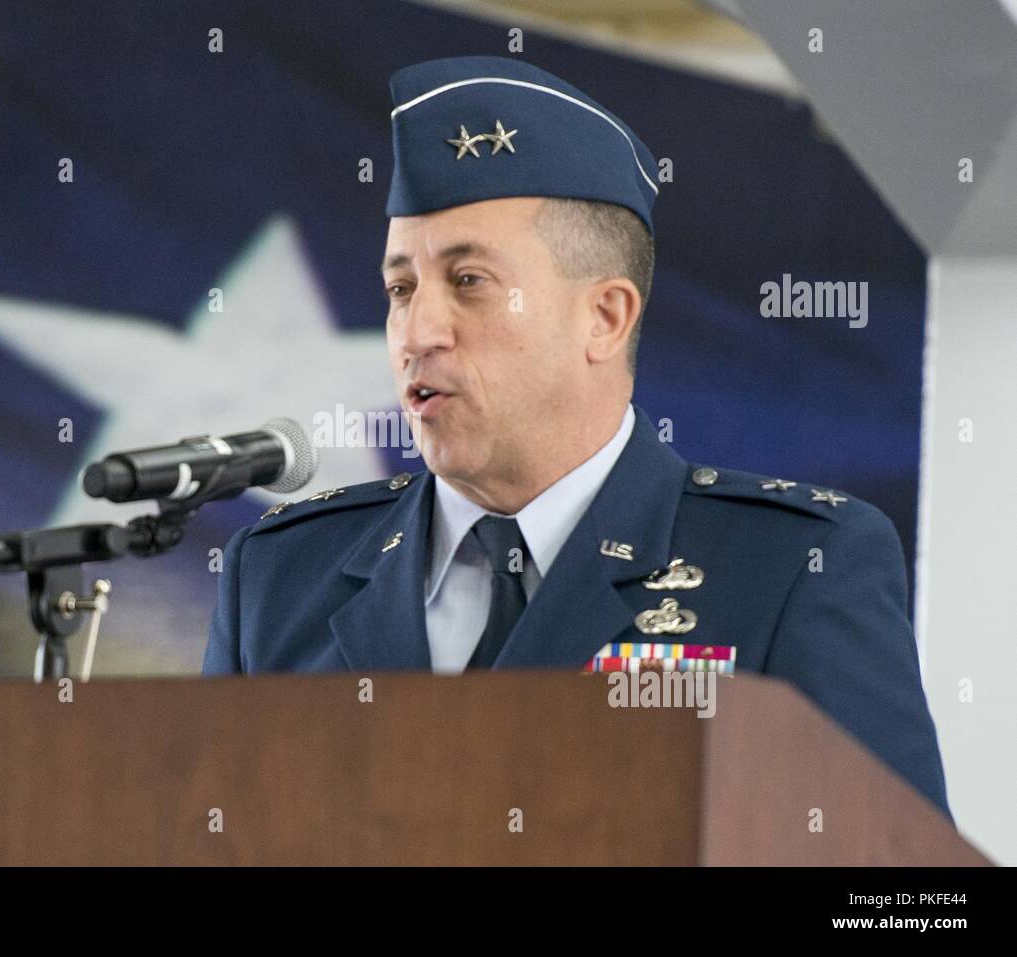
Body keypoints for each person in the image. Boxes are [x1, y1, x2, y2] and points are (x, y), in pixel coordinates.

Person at [202, 55, 949, 814]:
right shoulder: (279, 576)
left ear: (605, 317)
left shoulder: (793, 567)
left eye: (469, 282)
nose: (415, 330)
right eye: (401, 288)